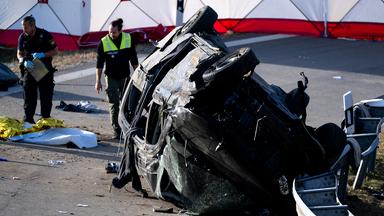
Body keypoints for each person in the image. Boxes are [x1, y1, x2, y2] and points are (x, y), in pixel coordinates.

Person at [95, 18, 138, 139]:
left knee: (127, 104)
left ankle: (127, 128)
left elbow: (134, 59)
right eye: (109, 32)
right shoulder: (103, 42)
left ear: (120, 31)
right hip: (111, 78)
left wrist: (138, 75)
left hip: (125, 77)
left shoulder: (128, 39)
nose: (111, 34)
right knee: (114, 104)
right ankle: (117, 131)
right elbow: (99, 65)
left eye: (113, 32)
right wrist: (98, 81)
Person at [17, 15, 58, 124]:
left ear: (33, 25)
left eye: (25, 27)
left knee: (46, 96)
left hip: (44, 69)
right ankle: (29, 120)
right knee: (29, 96)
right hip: (30, 69)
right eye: (22, 26)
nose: (23, 29)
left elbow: (55, 51)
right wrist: (23, 61)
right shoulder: (22, 37)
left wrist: (43, 54)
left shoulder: (45, 35)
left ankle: (45, 120)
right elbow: (19, 53)